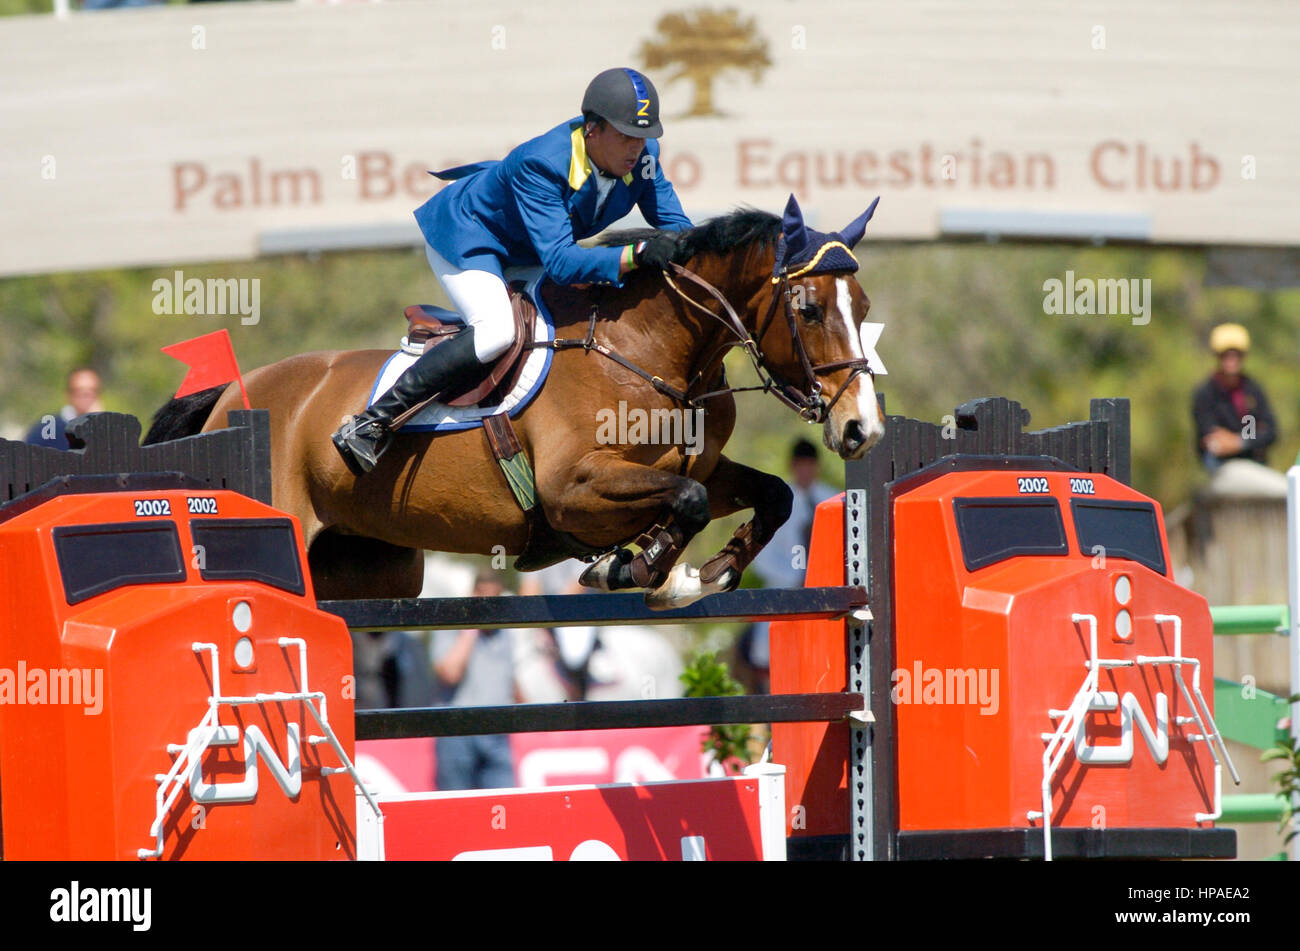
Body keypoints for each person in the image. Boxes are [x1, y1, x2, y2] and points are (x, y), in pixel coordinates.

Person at [332, 67, 695, 476]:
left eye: (643, 136)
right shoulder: (543, 163)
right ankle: (372, 422)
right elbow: (560, 262)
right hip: (472, 236)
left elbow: (678, 229)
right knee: (496, 331)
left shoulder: (644, 159)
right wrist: (636, 253)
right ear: (592, 129)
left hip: (531, 246)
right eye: (626, 135)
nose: (637, 147)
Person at [744, 439, 838, 693]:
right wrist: (794, 577)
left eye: (810, 465)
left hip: (822, 592)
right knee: (772, 658)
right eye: (801, 465)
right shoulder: (778, 502)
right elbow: (761, 555)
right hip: (784, 592)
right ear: (793, 466)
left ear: (816, 466)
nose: (805, 471)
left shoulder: (832, 499)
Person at [430, 570, 521, 790]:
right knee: (455, 810)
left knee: (505, 803)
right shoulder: (449, 626)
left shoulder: (505, 632)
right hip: (457, 731)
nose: (489, 607)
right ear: (473, 595)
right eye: (483, 598)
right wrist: (471, 625)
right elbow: (449, 674)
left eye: (495, 599)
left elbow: (508, 679)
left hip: (498, 731)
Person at [1192, 323, 1278, 471]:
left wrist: (1239, 442)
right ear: (1218, 357)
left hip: (1255, 463)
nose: (1231, 360)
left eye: (1236, 355)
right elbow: (1213, 439)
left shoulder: (1253, 389)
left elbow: (1271, 432)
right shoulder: (1205, 393)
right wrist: (1253, 437)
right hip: (1220, 466)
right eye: (1226, 355)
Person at [24, 368, 103, 449]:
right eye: (79, 391)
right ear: (68, 394)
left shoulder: (105, 430)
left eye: (92, 391)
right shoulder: (47, 428)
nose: (86, 397)